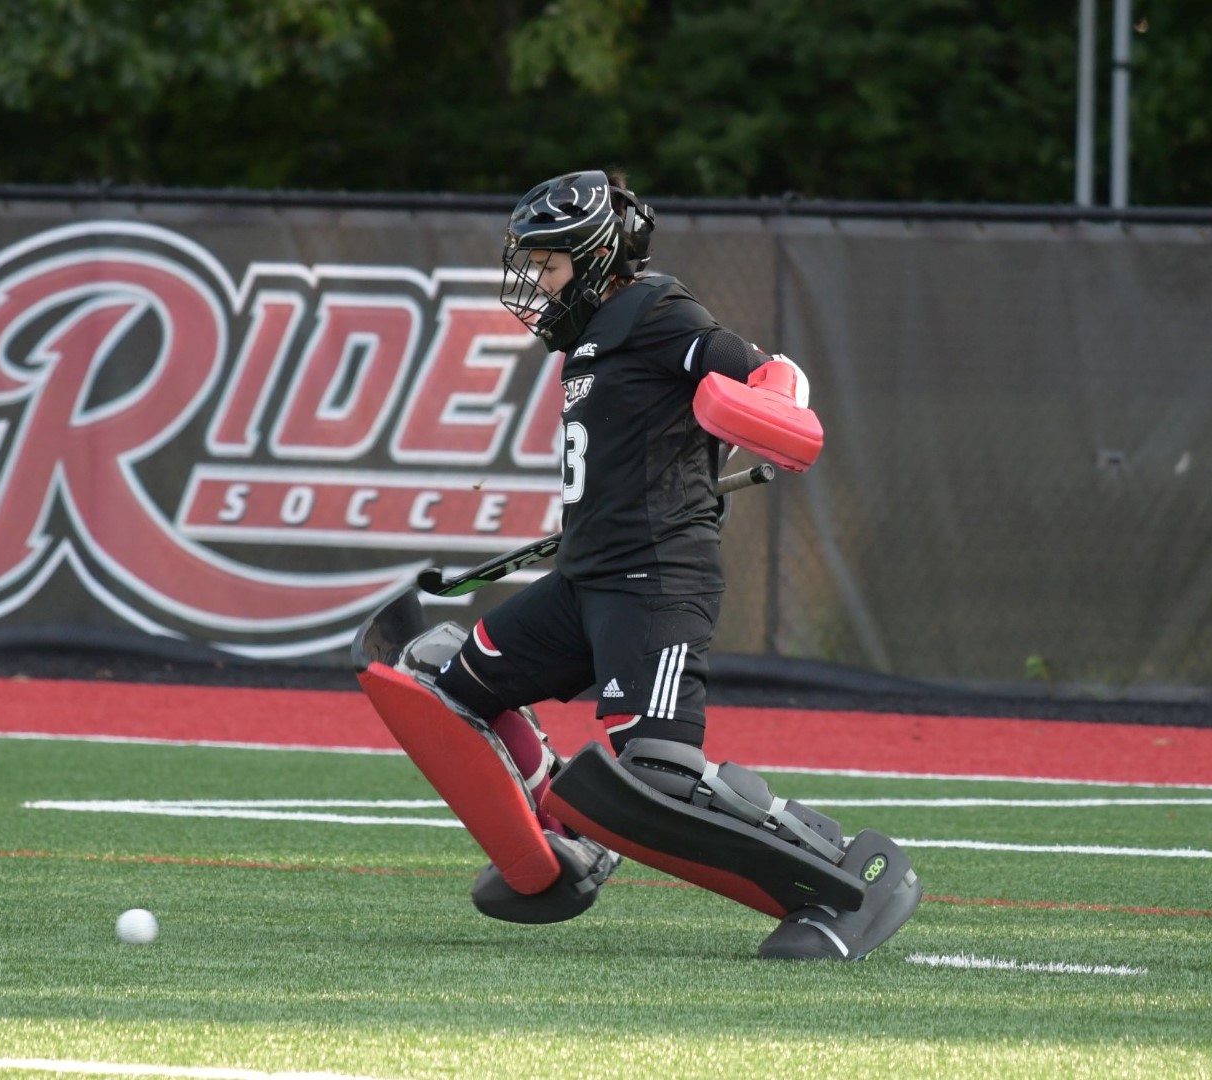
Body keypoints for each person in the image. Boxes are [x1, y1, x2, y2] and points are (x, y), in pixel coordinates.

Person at [353, 169, 920, 960]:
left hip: (655, 582)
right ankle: (566, 841)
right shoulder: (589, 341)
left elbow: (766, 369)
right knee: (449, 687)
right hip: (586, 579)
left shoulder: (656, 310)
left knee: (654, 769)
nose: (538, 286)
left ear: (593, 258)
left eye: (548, 266)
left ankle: (848, 882)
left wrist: (774, 409)